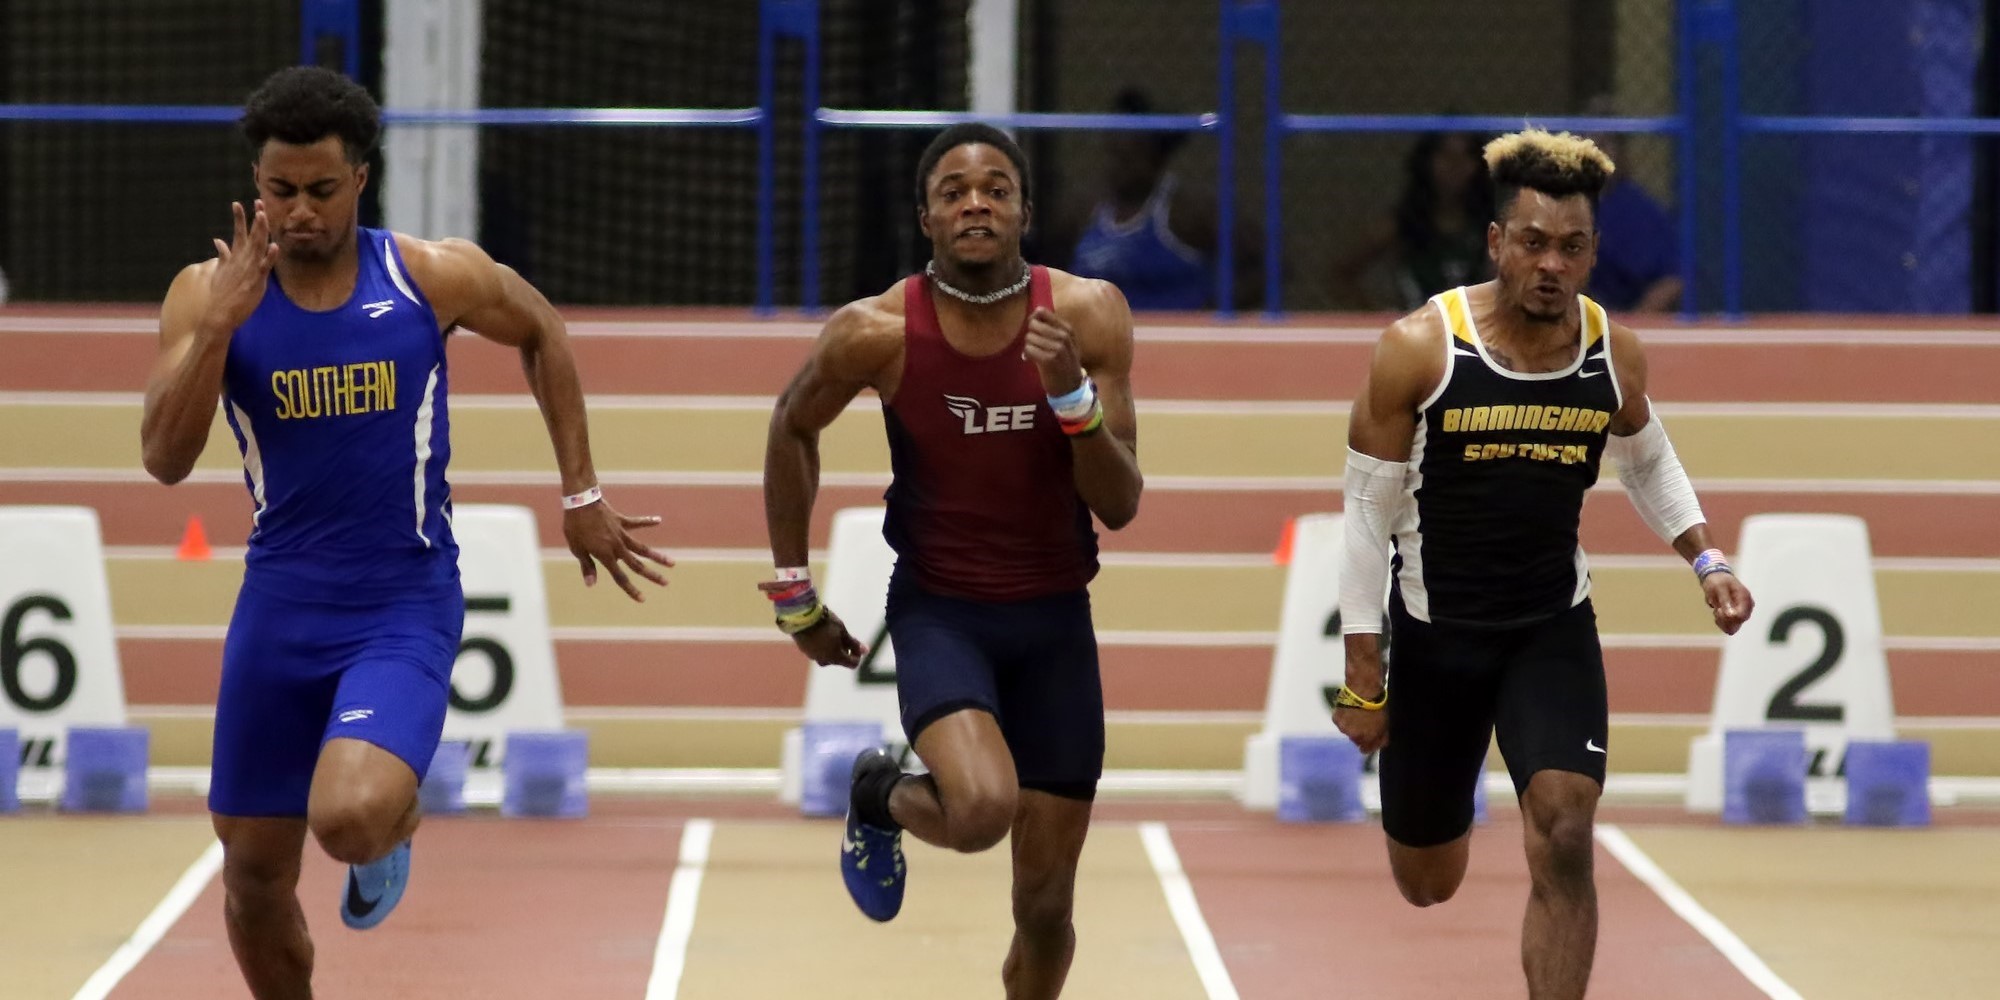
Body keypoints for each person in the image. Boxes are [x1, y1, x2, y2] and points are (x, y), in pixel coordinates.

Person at [138, 66, 671, 999]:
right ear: (254, 188)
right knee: (254, 878)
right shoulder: (203, 293)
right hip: (278, 605)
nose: (299, 212)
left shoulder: (428, 276)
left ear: (361, 182)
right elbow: (164, 459)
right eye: (279, 192)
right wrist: (220, 329)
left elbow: (544, 330)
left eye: (320, 190)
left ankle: (394, 822)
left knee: (346, 818)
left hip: (402, 601)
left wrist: (581, 493)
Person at [1332, 128, 1754, 1000]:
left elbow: (1648, 461)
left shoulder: (1611, 351)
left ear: (1595, 252)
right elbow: (1367, 517)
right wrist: (1364, 677)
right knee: (1426, 881)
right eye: (1531, 244)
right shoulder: (1418, 350)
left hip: (1548, 632)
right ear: (1496, 244)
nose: (1550, 265)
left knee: (1564, 828)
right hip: (1437, 638)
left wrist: (1706, 556)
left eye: (1571, 247)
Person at [762, 123, 1142, 999]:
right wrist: (795, 596)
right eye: (955, 191)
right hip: (944, 613)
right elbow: (792, 425)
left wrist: (1073, 402)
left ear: (1024, 213)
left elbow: (1118, 504)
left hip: (1054, 623)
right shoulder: (877, 331)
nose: (977, 202)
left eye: (996, 189)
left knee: (1045, 909)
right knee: (977, 811)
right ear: (927, 218)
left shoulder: (1088, 316)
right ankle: (880, 794)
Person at [1059, 86, 1260, 310]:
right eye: (1113, 156)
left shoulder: (1187, 210)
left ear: (1156, 159)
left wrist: (1209, 313)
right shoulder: (1084, 211)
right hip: (1104, 338)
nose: (1118, 169)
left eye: (1129, 160)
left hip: (1171, 337)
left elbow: (1266, 266)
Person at [1330, 130, 1495, 311]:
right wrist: (1377, 317)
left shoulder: (1491, 229)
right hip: (1416, 329)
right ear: (1427, 161)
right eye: (1445, 155)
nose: (1454, 165)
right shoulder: (1402, 225)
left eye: (1466, 156)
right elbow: (1341, 275)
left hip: (1474, 332)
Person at [1580, 96, 1684, 313]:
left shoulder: (1639, 211)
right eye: (1589, 143)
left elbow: (1673, 280)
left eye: (1605, 144)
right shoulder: (1557, 203)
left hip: (1625, 319)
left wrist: (1635, 324)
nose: (1596, 152)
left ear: (1621, 152)